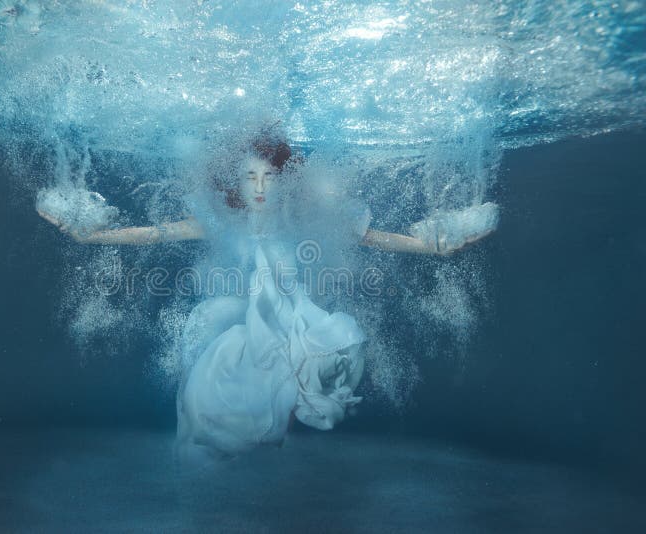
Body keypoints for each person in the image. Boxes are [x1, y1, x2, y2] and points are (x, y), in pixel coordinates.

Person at [37, 134, 497, 462]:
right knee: (224, 354)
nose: (259, 188)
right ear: (234, 183)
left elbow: (372, 237)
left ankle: (274, 421)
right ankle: (235, 438)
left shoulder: (305, 219)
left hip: (294, 321)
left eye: (269, 177)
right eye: (250, 177)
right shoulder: (221, 221)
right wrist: (95, 238)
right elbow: (156, 235)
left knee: (320, 348)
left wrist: (432, 245)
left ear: (285, 180)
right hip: (241, 317)